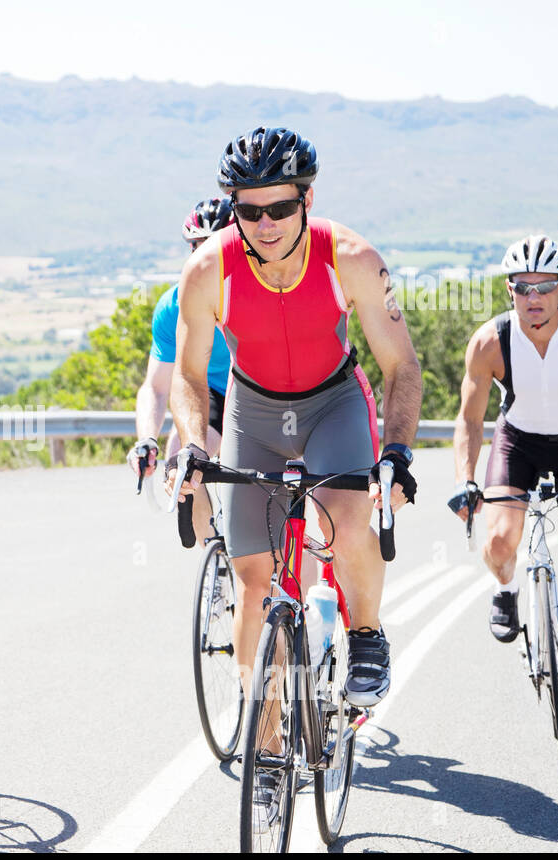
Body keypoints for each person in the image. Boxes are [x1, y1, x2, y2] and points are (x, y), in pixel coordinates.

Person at [170, 127, 423, 731]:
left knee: (343, 517)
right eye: (249, 211)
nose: (265, 224)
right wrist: (194, 452)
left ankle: (365, 633)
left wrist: (397, 453)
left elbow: (402, 367)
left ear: (307, 199)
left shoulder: (352, 258)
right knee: (256, 579)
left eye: (281, 207)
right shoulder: (210, 270)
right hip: (251, 412)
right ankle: (268, 737)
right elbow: (185, 378)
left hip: (332, 402)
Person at [450, 235, 558, 729]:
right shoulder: (490, 342)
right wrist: (467, 480)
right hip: (518, 442)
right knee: (500, 542)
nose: (534, 299)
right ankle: (506, 590)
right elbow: (469, 419)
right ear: (510, 290)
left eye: (544, 288)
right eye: (523, 288)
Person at [127, 198, 233, 539]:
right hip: (211, 391)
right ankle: (215, 559)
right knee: (181, 457)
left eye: (216, 247)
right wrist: (146, 438)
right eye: (197, 248)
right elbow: (156, 387)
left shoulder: (255, 295)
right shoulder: (173, 306)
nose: (205, 258)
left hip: (264, 389)